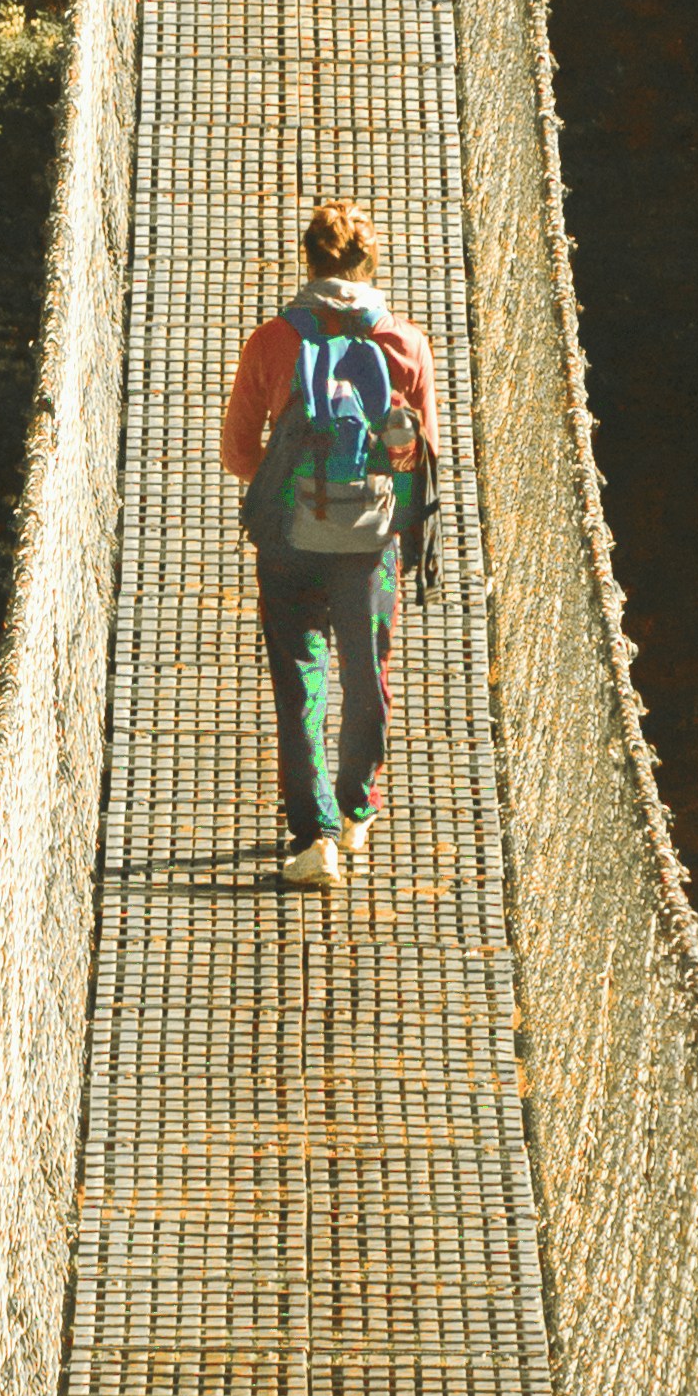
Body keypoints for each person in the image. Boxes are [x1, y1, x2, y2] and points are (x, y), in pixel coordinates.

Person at [220, 197, 439, 890]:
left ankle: (314, 840)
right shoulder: (405, 345)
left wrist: (291, 487)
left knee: (301, 683)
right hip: (370, 543)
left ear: (309, 262)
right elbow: (425, 454)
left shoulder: (271, 341)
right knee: (365, 678)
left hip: (289, 543)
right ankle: (357, 808)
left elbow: (236, 452)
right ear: (370, 264)